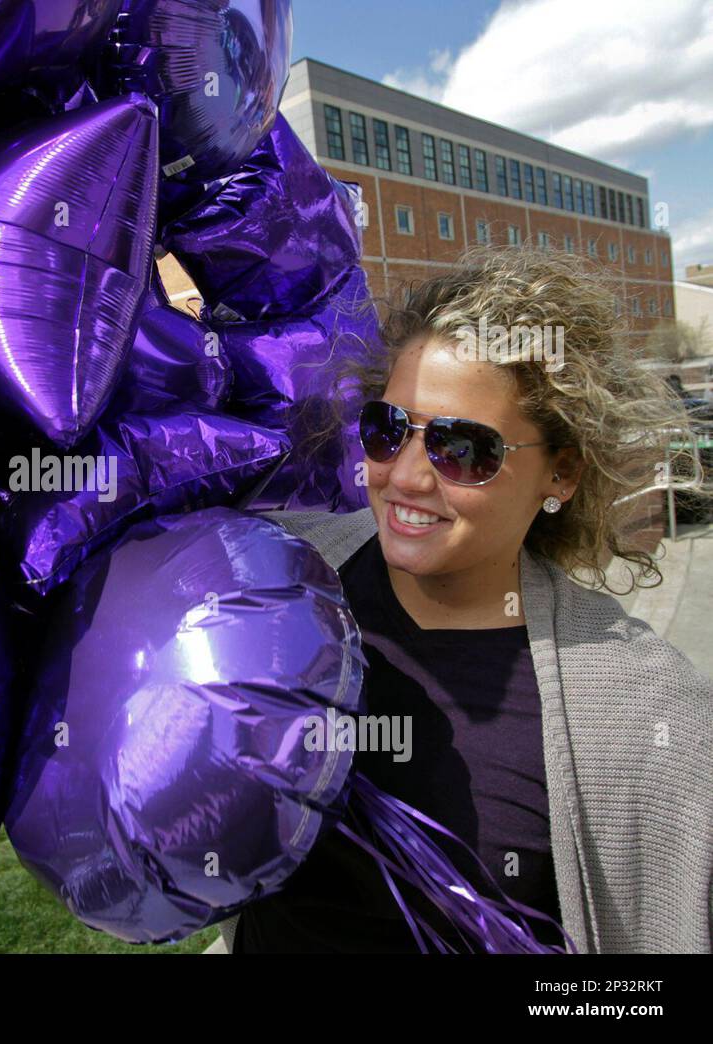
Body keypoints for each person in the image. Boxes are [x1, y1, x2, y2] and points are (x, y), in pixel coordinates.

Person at [223, 247, 713, 954]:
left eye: (464, 449)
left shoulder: (647, 712)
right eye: (387, 429)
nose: (408, 478)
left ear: (562, 473)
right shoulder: (283, 575)